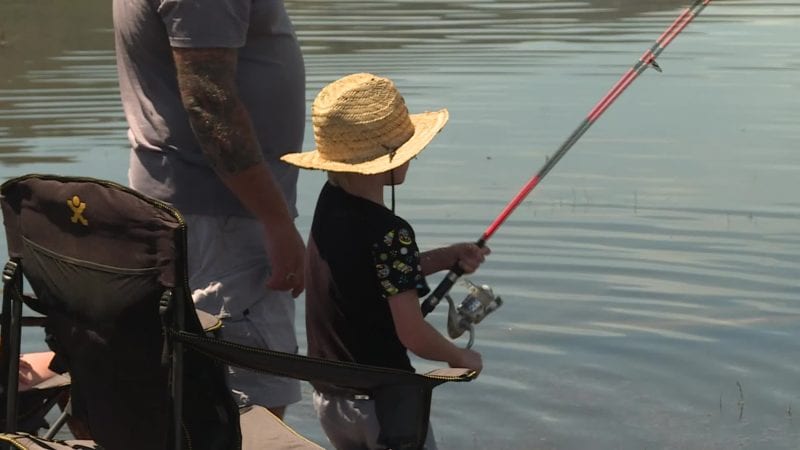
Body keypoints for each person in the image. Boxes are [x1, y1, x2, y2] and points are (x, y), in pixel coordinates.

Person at [112, 0, 306, 418]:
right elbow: (208, 102)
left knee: (190, 395)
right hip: (224, 217)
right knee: (251, 409)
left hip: (200, 208)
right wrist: (275, 219)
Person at [281, 72, 489, 450]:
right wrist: (460, 357)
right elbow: (413, 334)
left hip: (330, 400)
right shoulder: (392, 232)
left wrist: (446, 257)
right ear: (387, 159)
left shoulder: (329, 205)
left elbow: (367, 273)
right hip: (385, 407)